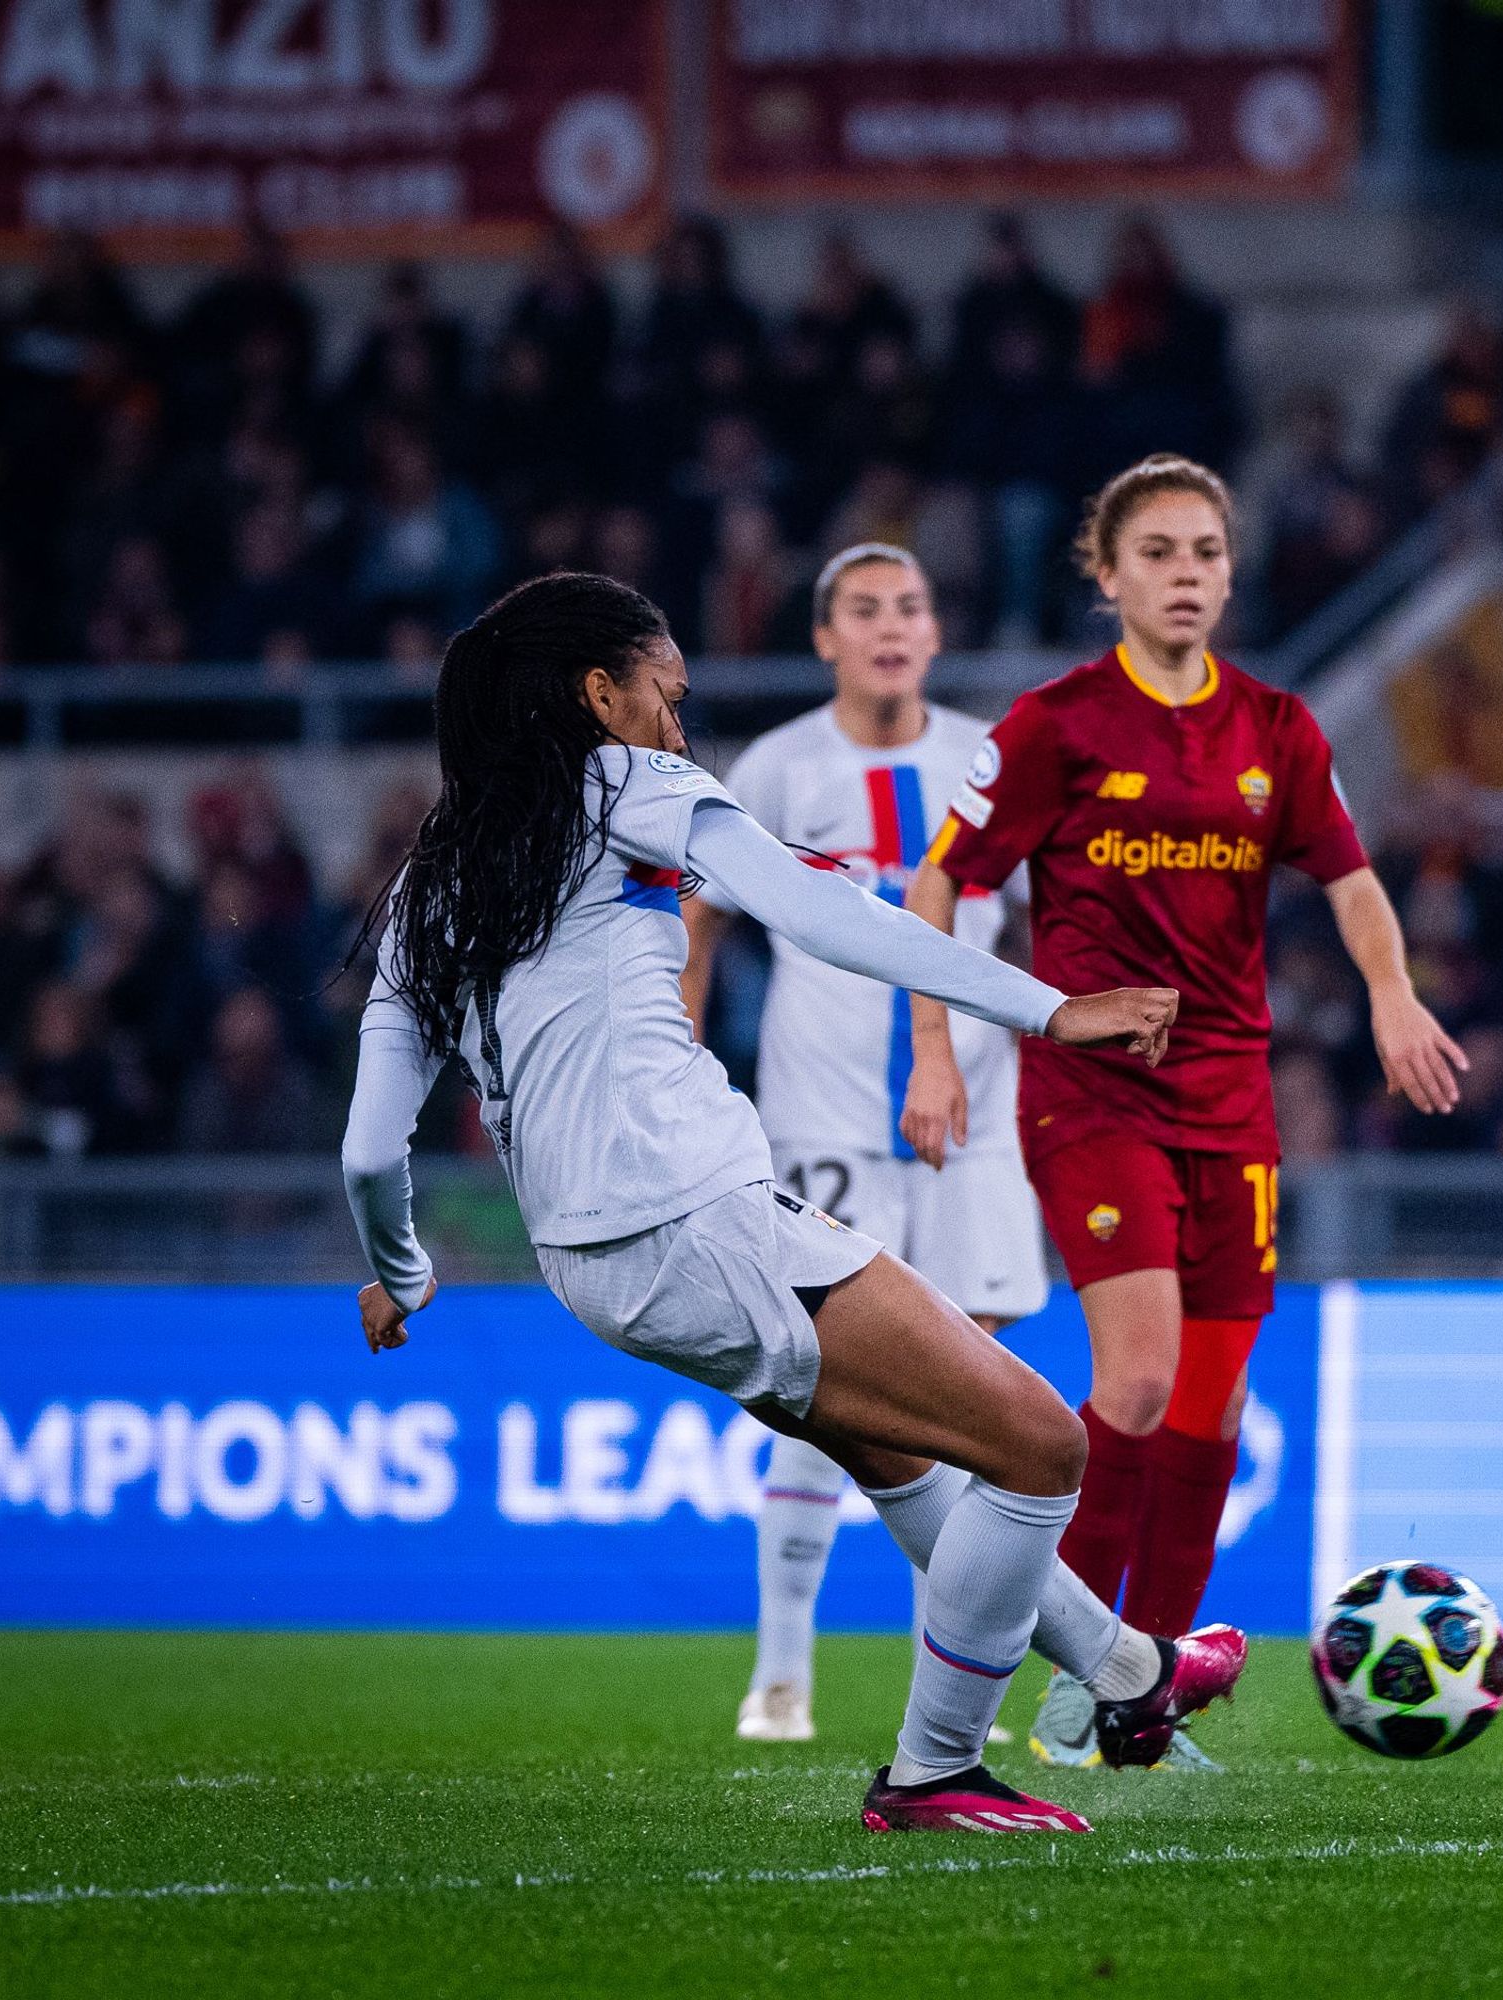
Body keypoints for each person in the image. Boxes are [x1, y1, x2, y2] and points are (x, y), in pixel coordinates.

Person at [339, 571, 1238, 1834]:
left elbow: (373, 1146)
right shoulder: (623, 784)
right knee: (1043, 1447)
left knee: (895, 1448)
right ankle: (936, 1769)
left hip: (595, 1266)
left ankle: (1131, 1672)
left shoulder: (429, 884)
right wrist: (1048, 1008)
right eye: (665, 692)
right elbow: (820, 910)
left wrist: (406, 1269)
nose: (676, 722)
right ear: (599, 693)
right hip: (701, 1217)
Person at [904, 455, 1466, 1770]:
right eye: (1157, 553)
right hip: (1093, 1095)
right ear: (1106, 576)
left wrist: (1392, 994)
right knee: (1140, 1379)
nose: (1187, 576)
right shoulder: (1054, 727)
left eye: (1206, 552)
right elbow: (938, 888)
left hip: (1233, 1098)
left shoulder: (1277, 728)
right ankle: (1060, 1679)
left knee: (1209, 1414)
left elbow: (1353, 876)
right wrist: (935, 1049)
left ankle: (1137, 1696)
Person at [681, 544, 1052, 1745]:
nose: (889, 627)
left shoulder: (985, 758)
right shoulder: (782, 766)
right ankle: (781, 1669)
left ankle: (950, 1687)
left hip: (977, 1120)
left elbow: (1042, 922)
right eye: (862, 609)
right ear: (825, 636)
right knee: (830, 1393)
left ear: (935, 633)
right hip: (828, 1113)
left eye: (909, 607)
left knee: (973, 1404)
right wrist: (679, 1071)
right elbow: (697, 930)